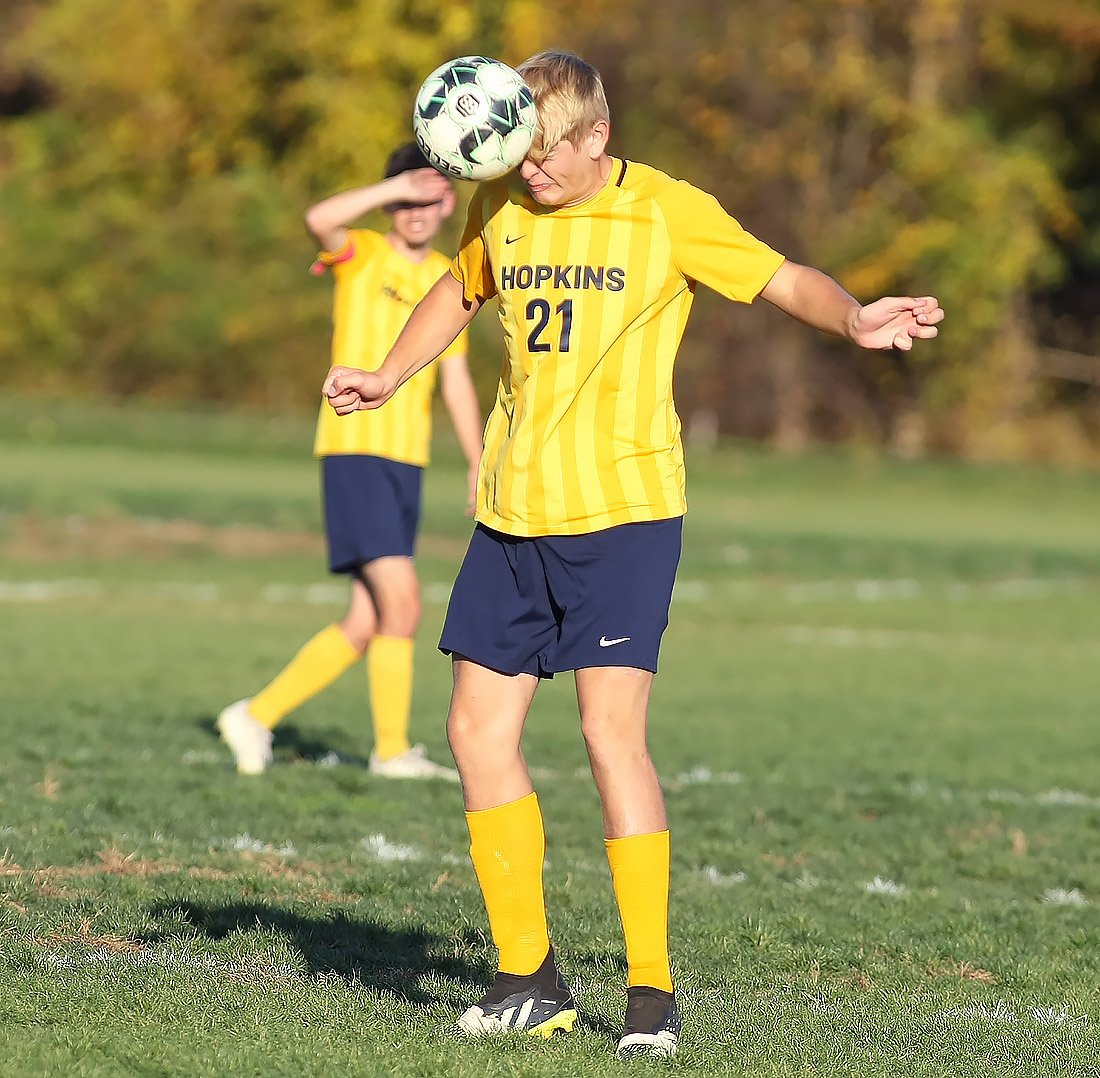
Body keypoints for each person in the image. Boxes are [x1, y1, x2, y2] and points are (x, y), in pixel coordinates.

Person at [323, 51, 945, 1058]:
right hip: (512, 513)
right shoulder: (501, 205)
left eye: (545, 156)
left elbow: (780, 276)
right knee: (474, 731)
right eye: (517, 157)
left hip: (622, 515)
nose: (529, 172)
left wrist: (853, 316)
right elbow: (457, 290)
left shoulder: (664, 209)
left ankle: (651, 992)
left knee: (609, 736)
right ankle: (527, 978)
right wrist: (392, 373)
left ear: (596, 136)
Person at [217, 142, 483, 780]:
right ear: (392, 203)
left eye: (429, 199)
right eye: (407, 199)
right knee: (404, 603)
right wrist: (397, 185)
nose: (417, 211)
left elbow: (455, 380)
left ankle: (254, 715)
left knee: (368, 620)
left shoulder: (449, 277)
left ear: (448, 204)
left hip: (407, 461)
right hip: (355, 449)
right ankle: (390, 751)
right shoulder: (362, 254)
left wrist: (477, 461)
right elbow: (319, 219)